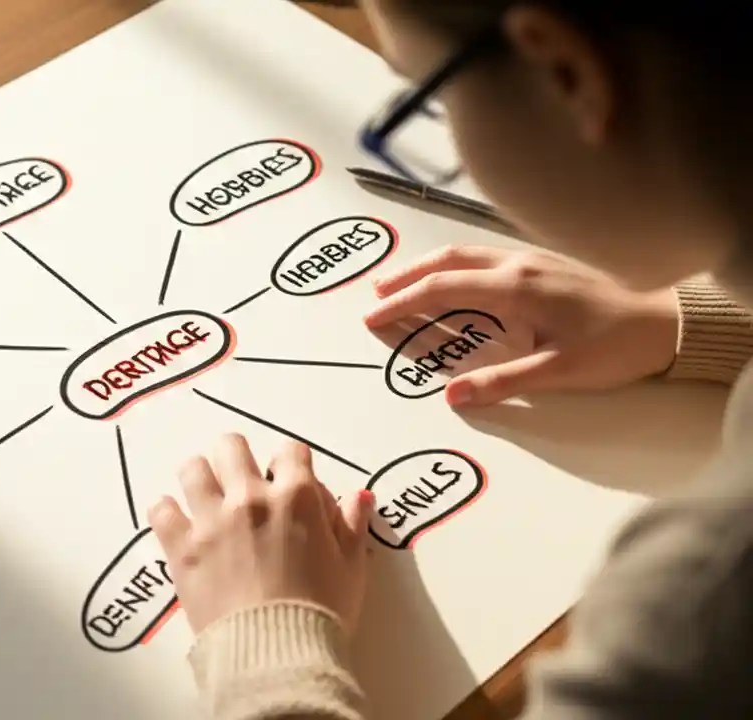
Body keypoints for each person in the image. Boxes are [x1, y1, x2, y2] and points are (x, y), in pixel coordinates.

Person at [148, 3, 753, 718]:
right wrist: (695, 317)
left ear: (568, 74)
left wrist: (266, 650)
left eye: (427, 94)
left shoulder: (697, 612)